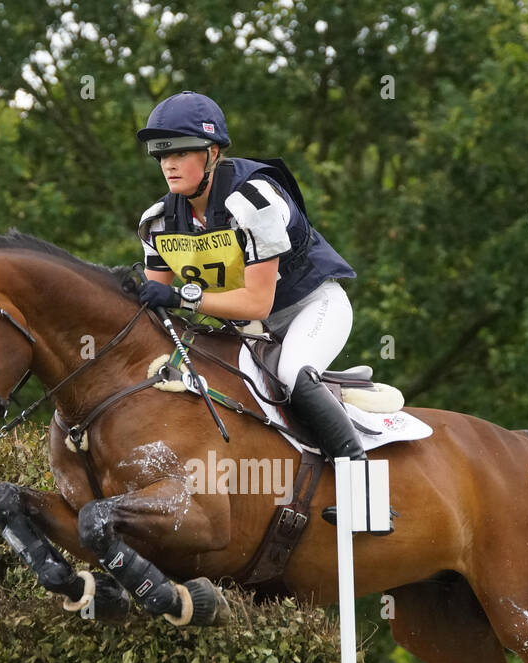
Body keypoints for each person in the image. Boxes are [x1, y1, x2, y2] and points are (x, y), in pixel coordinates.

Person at [134, 90, 367, 462]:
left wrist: (182, 298)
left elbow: (259, 302)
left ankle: (359, 477)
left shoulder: (254, 201)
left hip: (308, 307)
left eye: (179, 152)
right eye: (162, 155)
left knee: (294, 374)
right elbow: (157, 317)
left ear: (211, 154)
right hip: (242, 328)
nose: (168, 165)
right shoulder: (157, 221)